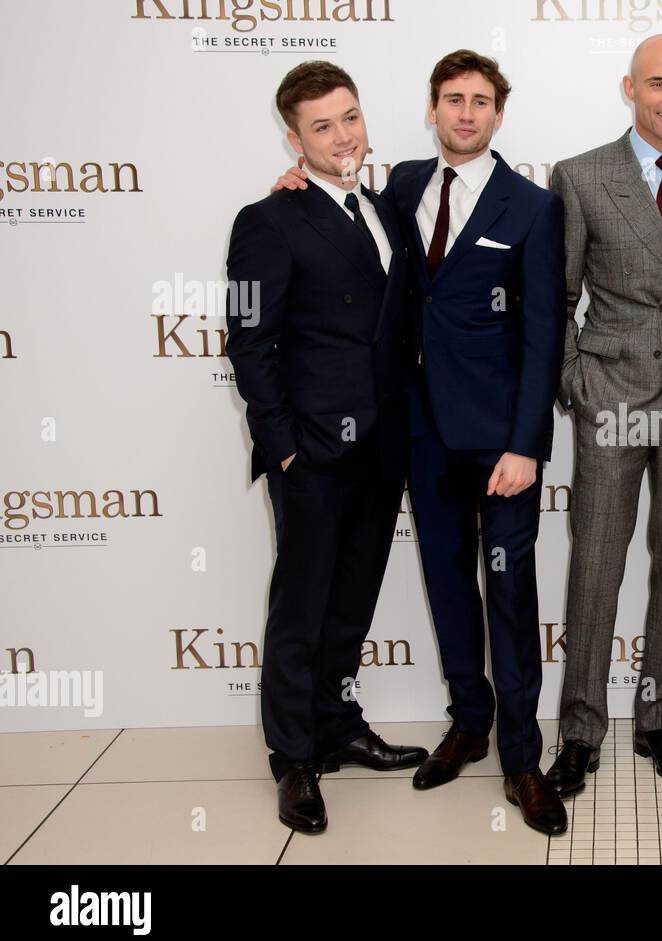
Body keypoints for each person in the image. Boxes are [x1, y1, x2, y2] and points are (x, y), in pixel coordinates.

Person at [272, 51, 568, 835]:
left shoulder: (532, 207)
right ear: (431, 110)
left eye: (480, 102)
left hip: (502, 444)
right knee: (447, 587)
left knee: (509, 592)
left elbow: (544, 340)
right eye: (451, 100)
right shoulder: (398, 186)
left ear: (499, 113)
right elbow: (340, 218)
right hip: (421, 436)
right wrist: (293, 187)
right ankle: (469, 722)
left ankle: (522, 757)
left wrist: (527, 444)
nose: (465, 114)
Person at [225, 60, 427, 835]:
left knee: (352, 602)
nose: (341, 135)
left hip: (381, 448)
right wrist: (282, 450)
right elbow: (250, 343)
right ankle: (292, 757)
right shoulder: (267, 219)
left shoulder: (385, 206)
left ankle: (337, 725)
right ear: (293, 138)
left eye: (349, 117)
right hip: (310, 452)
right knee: (301, 609)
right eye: (321, 126)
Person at [544, 34, 662, 794]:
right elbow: (556, 295)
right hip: (612, 397)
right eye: (658, 84)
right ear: (630, 87)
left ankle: (659, 719)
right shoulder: (581, 174)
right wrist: (574, 381)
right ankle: (581, 731)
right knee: (595, 565)